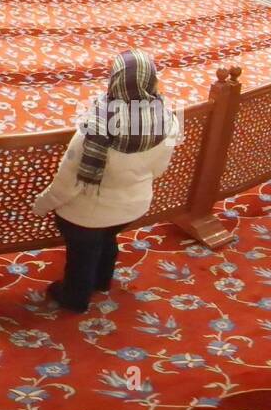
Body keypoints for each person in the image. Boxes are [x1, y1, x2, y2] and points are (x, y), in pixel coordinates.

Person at [31, 50, 181, 313]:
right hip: (133, 206)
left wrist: (42, 205)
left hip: (88, 214)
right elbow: (159, 169)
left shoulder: (96, 127)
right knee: (107, 239)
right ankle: (102, 282)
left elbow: (69, 183)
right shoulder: (169, 119)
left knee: (82, 255)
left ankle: (74, 299)